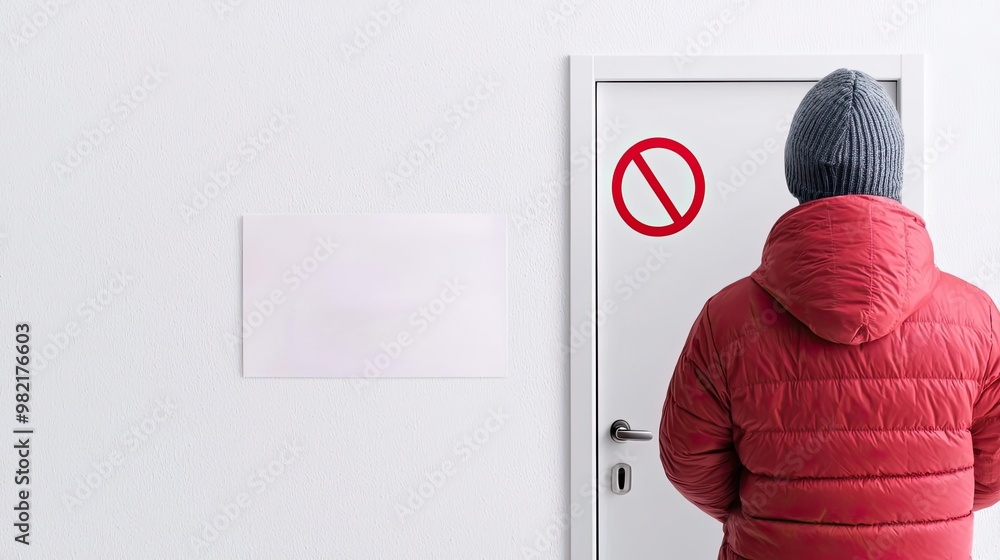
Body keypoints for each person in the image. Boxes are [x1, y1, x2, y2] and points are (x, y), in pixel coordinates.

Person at [659, 68, 1000, 560]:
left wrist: (767, 508)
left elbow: (688, 460)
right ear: (890, 173)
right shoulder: (977, 320)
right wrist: (925, 512)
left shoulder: (727, 320)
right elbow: (991, 470)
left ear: (797, 173)